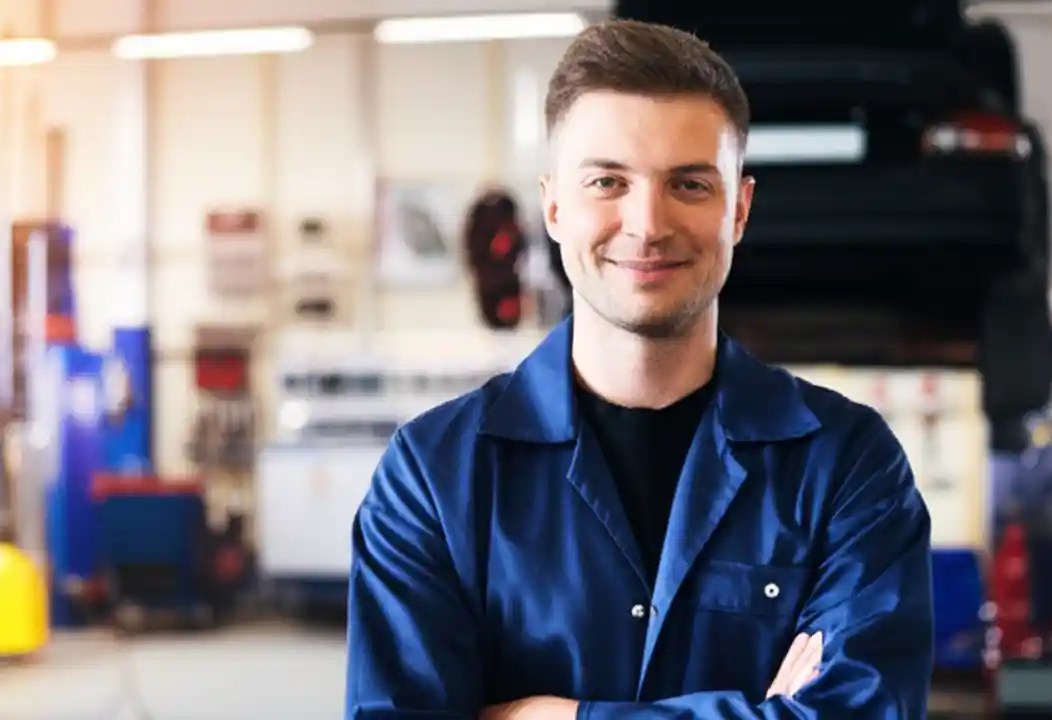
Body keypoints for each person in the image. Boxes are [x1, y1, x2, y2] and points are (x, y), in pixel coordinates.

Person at [345, 19, 933, 720]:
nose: (648, 223)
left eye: (688, 184)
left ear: (738, 210)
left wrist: (559, 717)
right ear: (553, 205)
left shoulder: (845, 464)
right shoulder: (436, 476)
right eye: (607, 182)